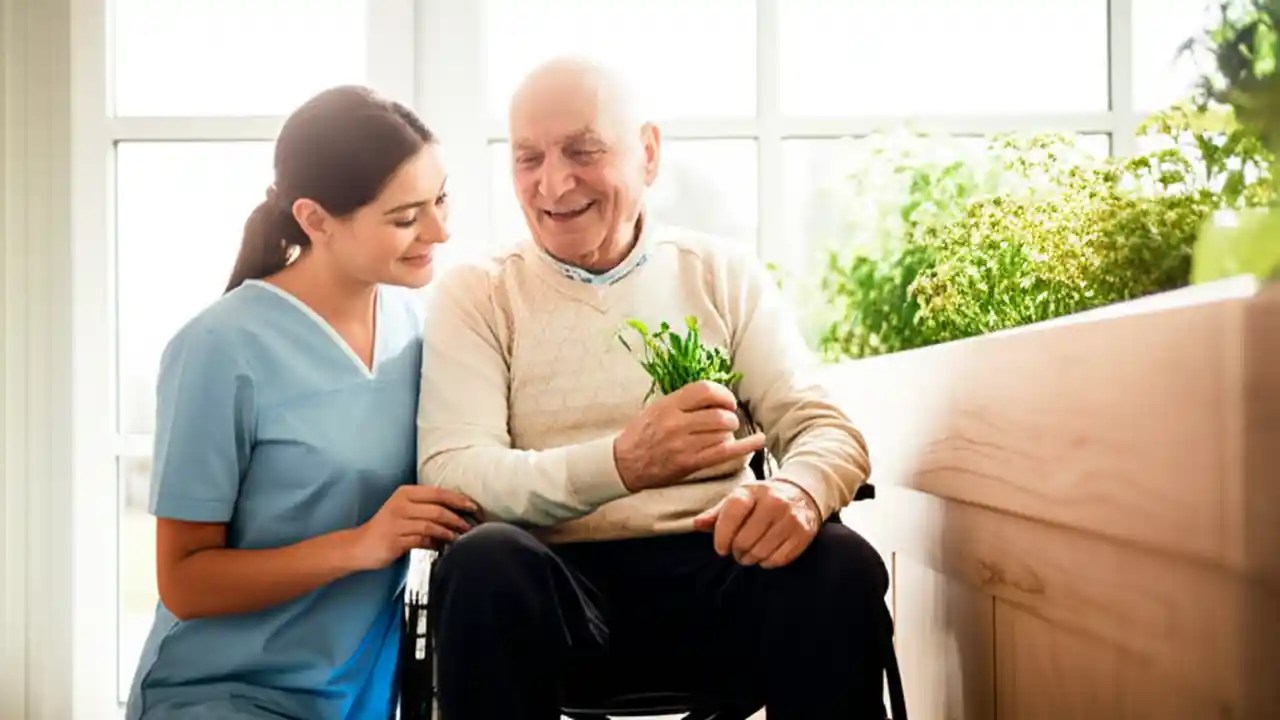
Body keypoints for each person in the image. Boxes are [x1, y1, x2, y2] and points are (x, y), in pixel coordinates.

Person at [417, 58, 900, 719]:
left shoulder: (720, 272)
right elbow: (455, 471)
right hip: (553, 591)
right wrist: (624, 462)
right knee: (481, 563)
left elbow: (826, 429)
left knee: (840, 562)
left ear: (647, 154)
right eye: (529, 158)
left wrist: (800, 493)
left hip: (720, 569)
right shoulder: (477, 292)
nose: (553, 183)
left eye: (583, 151)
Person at [125, 86, 479, 720]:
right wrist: (362, 544)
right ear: (315, 219)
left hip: (361, 702)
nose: (440, 231)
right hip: (224, 694)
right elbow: (183, 579)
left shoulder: (425, 329)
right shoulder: (219, 348)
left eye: (441, 198)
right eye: (405, 217)